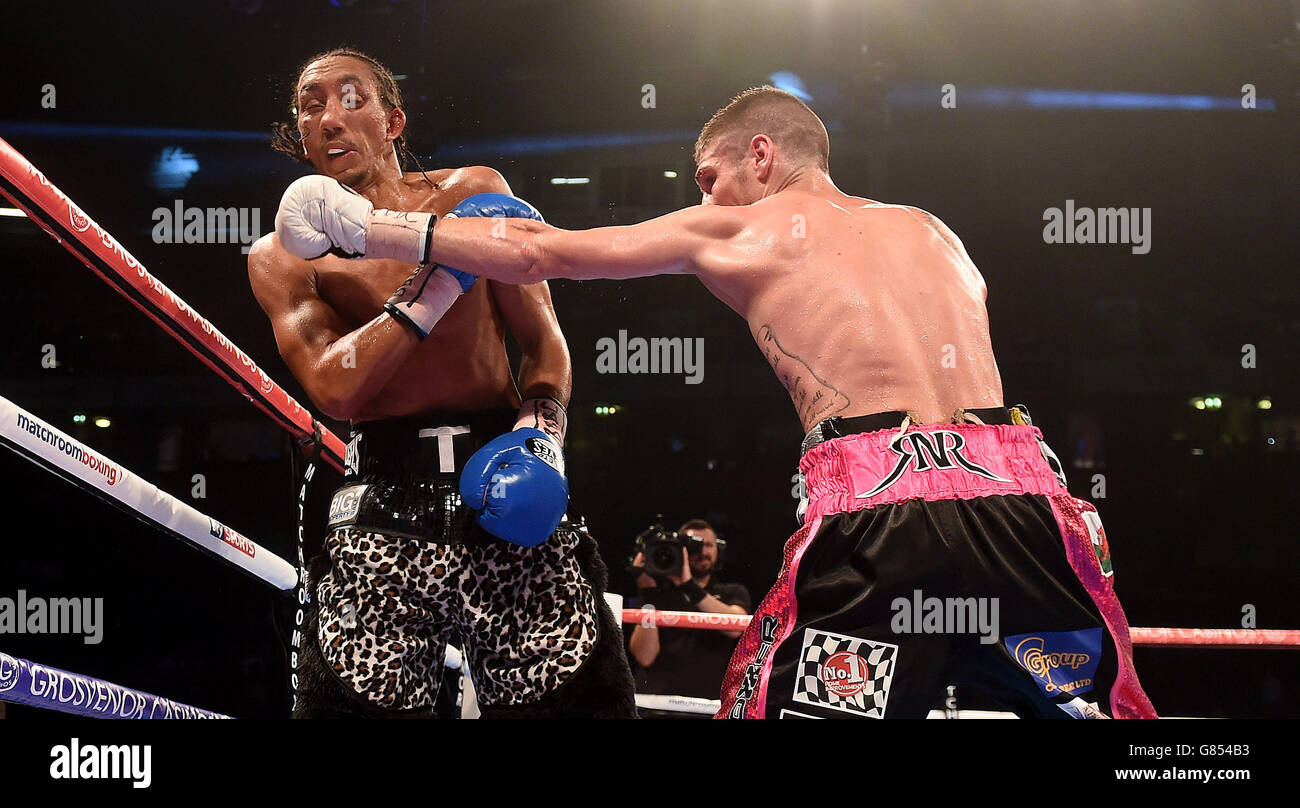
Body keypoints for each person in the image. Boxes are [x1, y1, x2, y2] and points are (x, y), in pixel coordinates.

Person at [276, 86, 1156, 719]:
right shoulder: (934, 230)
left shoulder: (741, 224)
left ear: (760, 157)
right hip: (1032, 504)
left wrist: (368, 230)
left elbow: (551, 254)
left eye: (709, 177)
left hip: (882, 511)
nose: (703, 197)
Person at [250, 47, 634, 718]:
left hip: (506, 482)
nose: (331, 118)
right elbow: (335, 390)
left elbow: (543, 344)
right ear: (301, 135)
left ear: (393, 121)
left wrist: (542, 439)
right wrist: (439, 280)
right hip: (381, 511)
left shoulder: (472, 194)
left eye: (351, 98)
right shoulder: (280, 257)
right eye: (311, 107)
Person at [628, 520, 750, 701]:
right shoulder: (657, 595)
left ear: (718, 550)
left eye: (708, 545)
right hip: (656, 704)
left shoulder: (731, 592)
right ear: (681, 550)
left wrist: (688, 585)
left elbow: (735, 627)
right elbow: (645, 656)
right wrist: (648, 593)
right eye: (695, 545)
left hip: (708, 707)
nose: (703, 552)